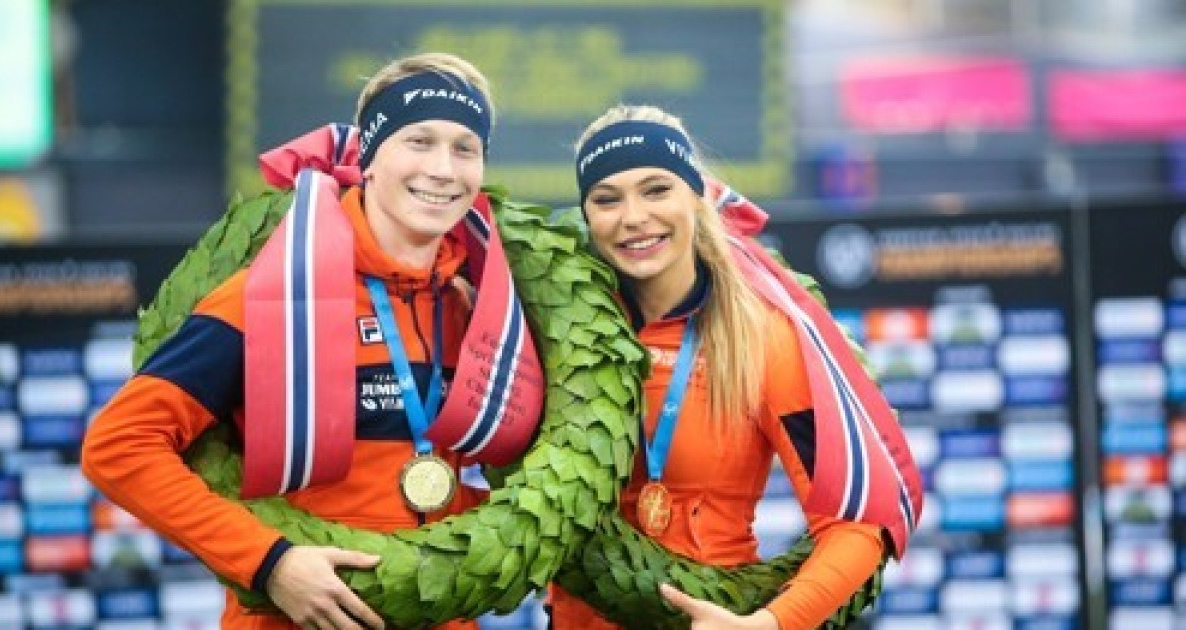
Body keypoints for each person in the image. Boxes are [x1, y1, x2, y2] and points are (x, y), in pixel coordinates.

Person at [82, 52, 545, 630]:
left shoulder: (478, 313)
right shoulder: (276, 295)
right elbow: (118, 446)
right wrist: (269, 562)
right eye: (419, 141)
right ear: (370, 158)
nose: (444, 169)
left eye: (465, 148)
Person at [547, 104, 922, 629]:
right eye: (607, 199)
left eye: (656, 189)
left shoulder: (762, 336)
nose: (633, 217)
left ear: (696, 197)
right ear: (588, 216)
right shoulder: (552, 332)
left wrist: (769, 624)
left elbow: (857, 522)